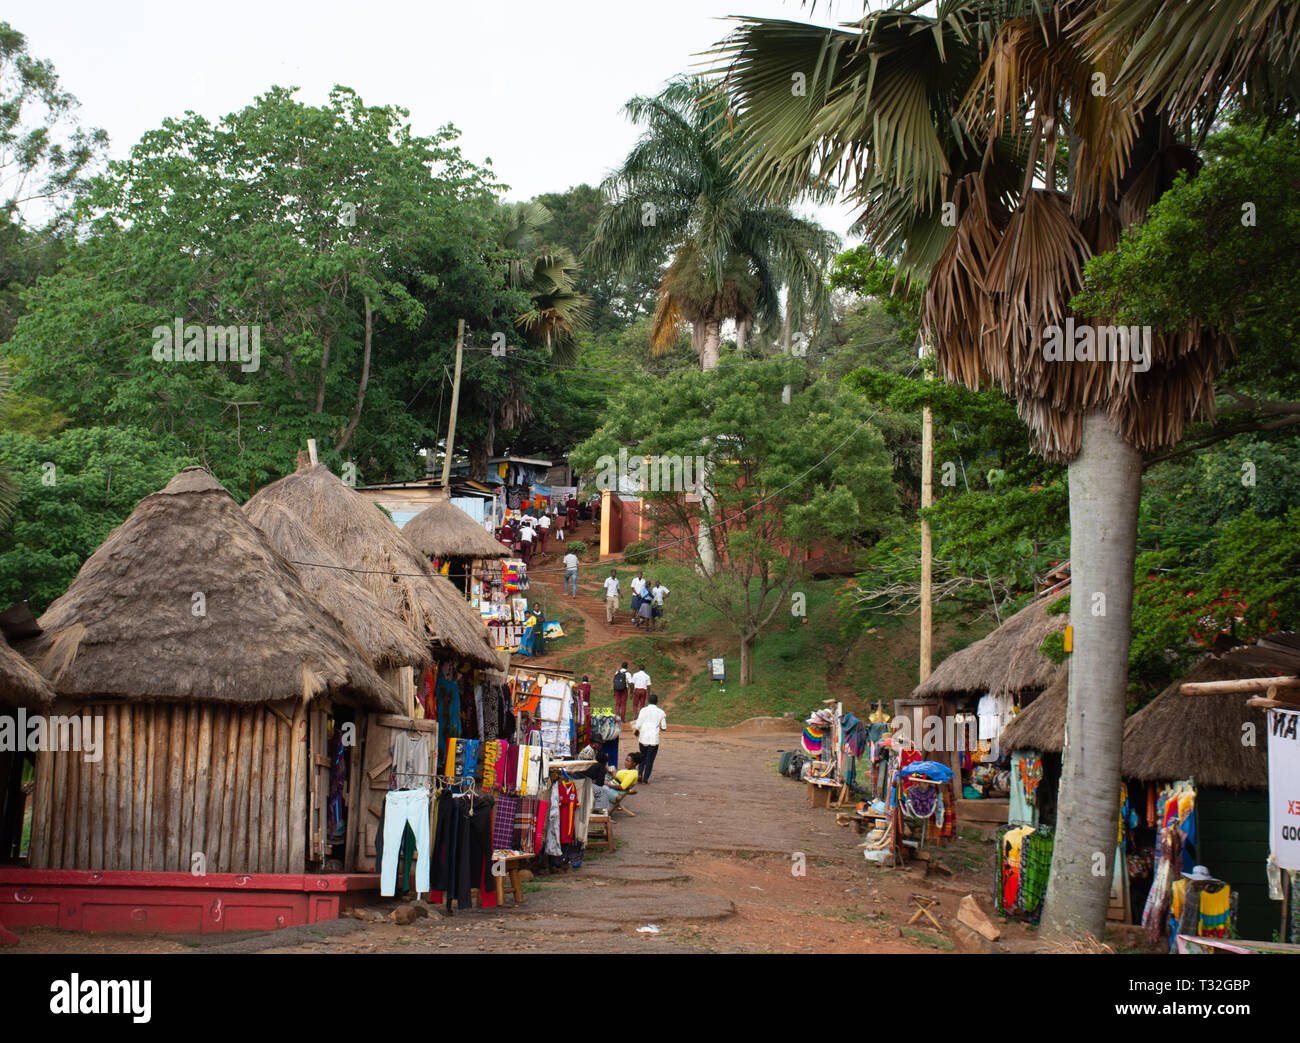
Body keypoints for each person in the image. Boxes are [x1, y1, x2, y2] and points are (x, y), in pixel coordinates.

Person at [632, 693, 667, 784]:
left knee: (642, 757)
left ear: (648, 701)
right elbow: (664, 727)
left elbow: (638, 724)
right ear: (657, 702)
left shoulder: (643, 710)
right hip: (653, 739)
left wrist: (636, 730)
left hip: (643, 737)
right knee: (650, 760)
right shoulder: (661, 712)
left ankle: (640, 773)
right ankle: (645, 779)